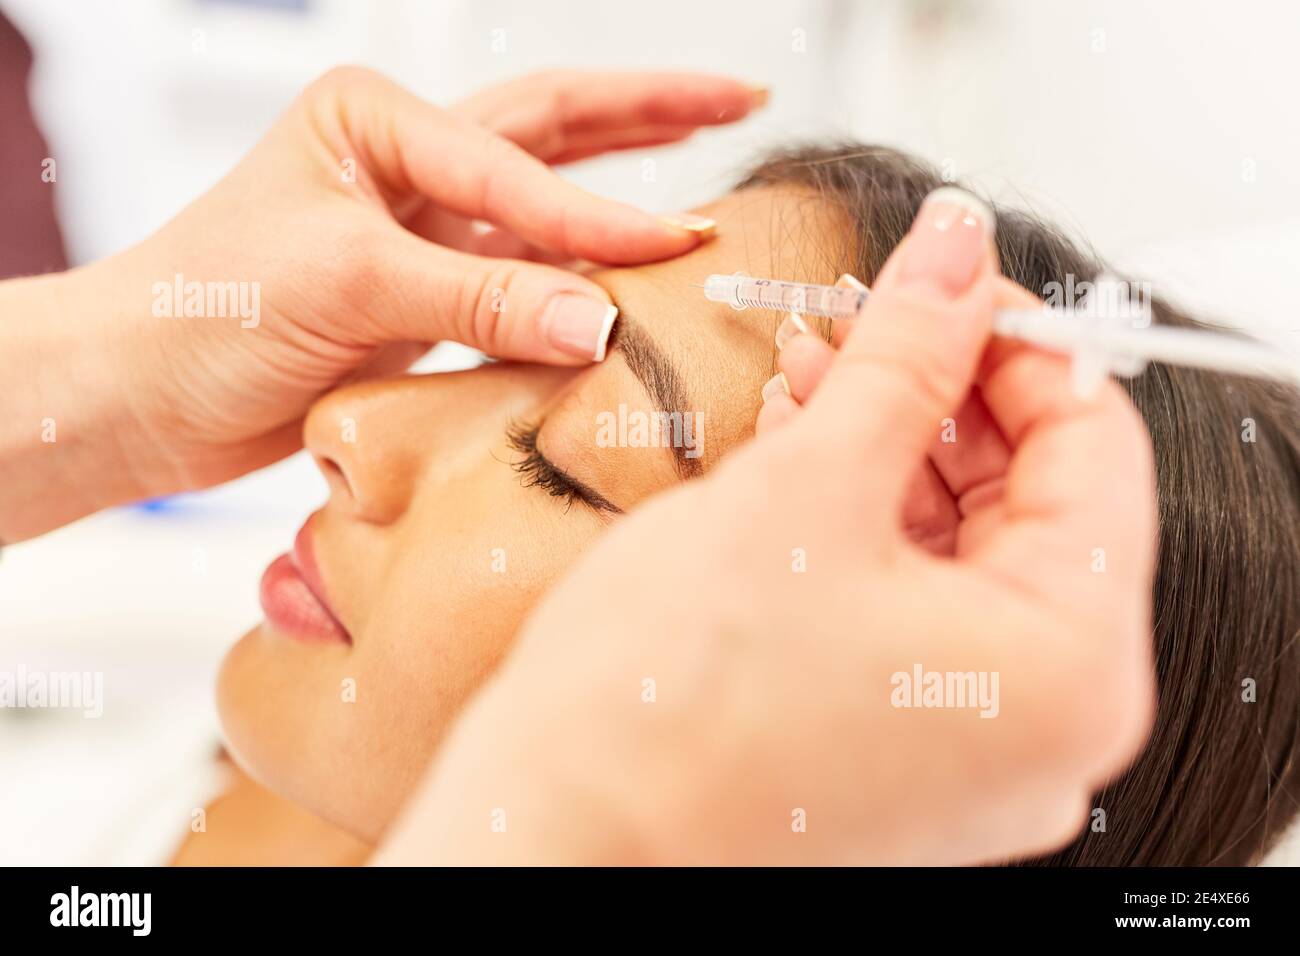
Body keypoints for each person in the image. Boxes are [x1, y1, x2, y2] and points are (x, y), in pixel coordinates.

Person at [2, 69, 1175, 865]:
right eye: (498, 345)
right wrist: (92, 386)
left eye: (567, 466)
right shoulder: (203, 753)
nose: (348, 419)